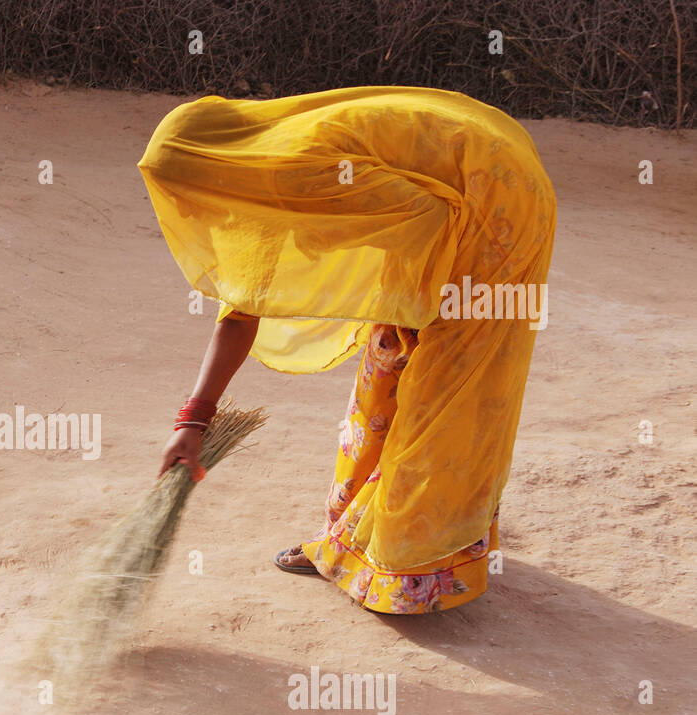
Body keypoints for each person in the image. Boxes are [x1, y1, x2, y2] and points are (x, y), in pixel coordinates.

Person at [139, 87, 557, 614]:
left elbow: (423, 220)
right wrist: (193, 419)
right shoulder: (260, 174)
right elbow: (242, 308)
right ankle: (347, 542)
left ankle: (413, 568)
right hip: (456, 193)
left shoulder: (295, 166)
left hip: (497, 205)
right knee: (390, 358)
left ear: (216, 169)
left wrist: (337, 241)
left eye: (189, 197)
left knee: (442, 392)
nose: (192, 213)